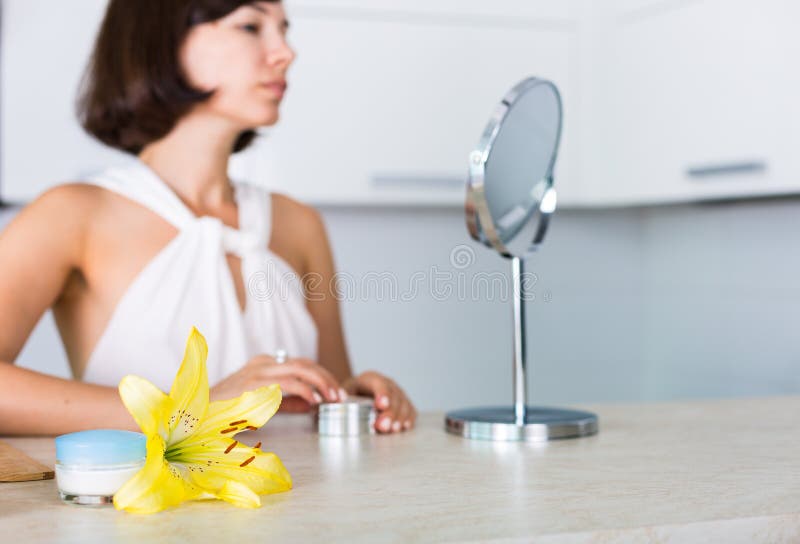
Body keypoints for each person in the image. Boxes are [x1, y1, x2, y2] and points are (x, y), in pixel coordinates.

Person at [0, 0, 416, 436]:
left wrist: (361, 400)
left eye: (283, 30)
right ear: (164, 40)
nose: (285, 52)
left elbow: (328, 396)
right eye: (251, 26)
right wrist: (192, 410)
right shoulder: (73, 216)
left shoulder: (300, 225)